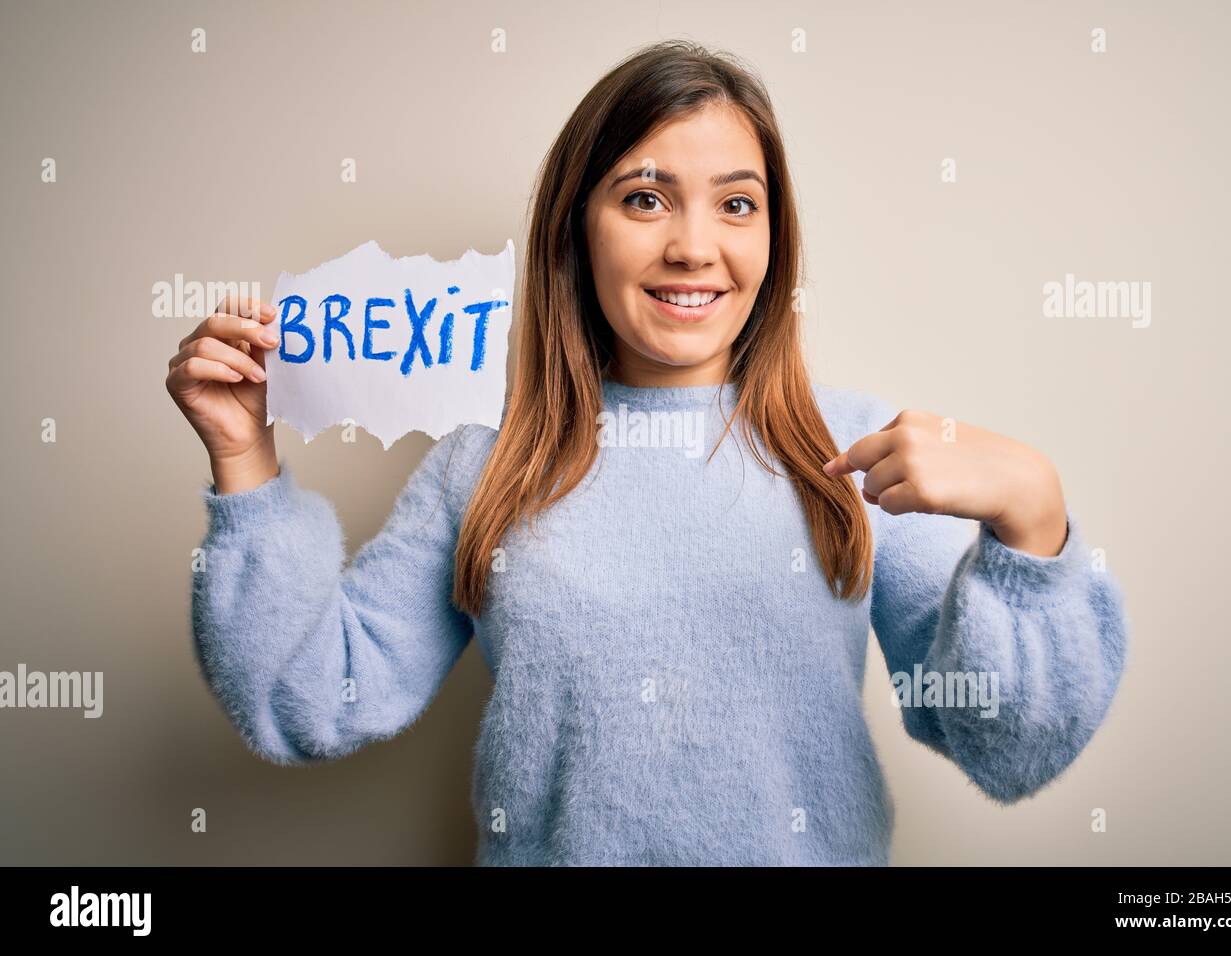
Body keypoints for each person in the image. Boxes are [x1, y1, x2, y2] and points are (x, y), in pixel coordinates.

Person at [165, 40, 1127, 866]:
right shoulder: (483, 468)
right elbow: (306, 701)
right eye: (645, 198)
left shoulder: (852, 451)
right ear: (577, 231)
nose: (694, 247)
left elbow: (1006, 747)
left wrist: (1034, 525)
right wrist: (244, 463)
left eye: (737, 204)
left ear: (775, 238)